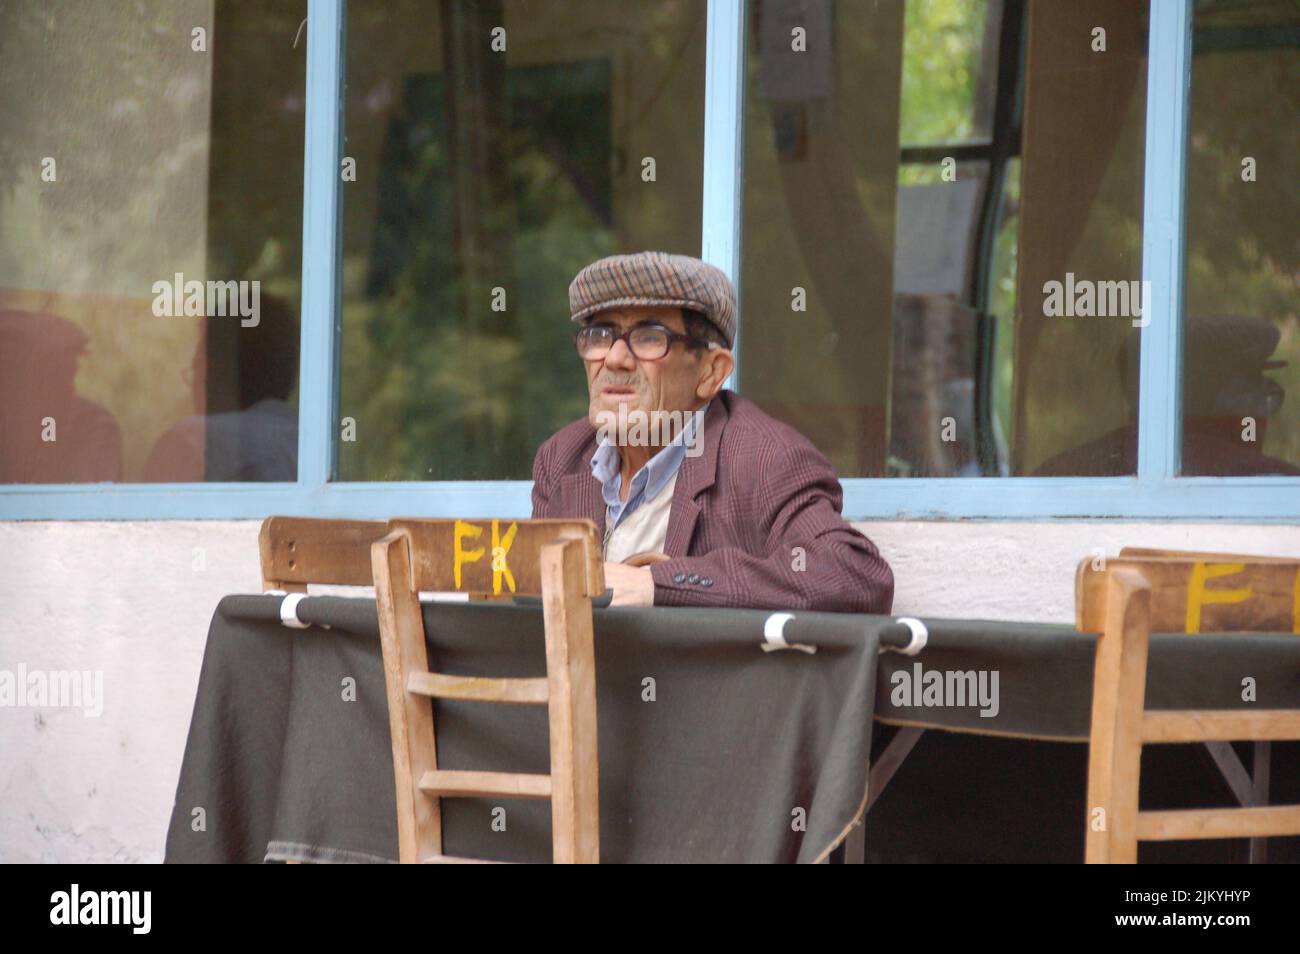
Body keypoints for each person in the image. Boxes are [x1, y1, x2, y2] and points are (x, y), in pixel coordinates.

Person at [531, 250, 894, 611]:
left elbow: (854, 576)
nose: (613, 358)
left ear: (711, 372)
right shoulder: (563, 458)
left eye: (648, 338)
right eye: (600, 335)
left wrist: (656, 584)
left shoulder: (764, 457)